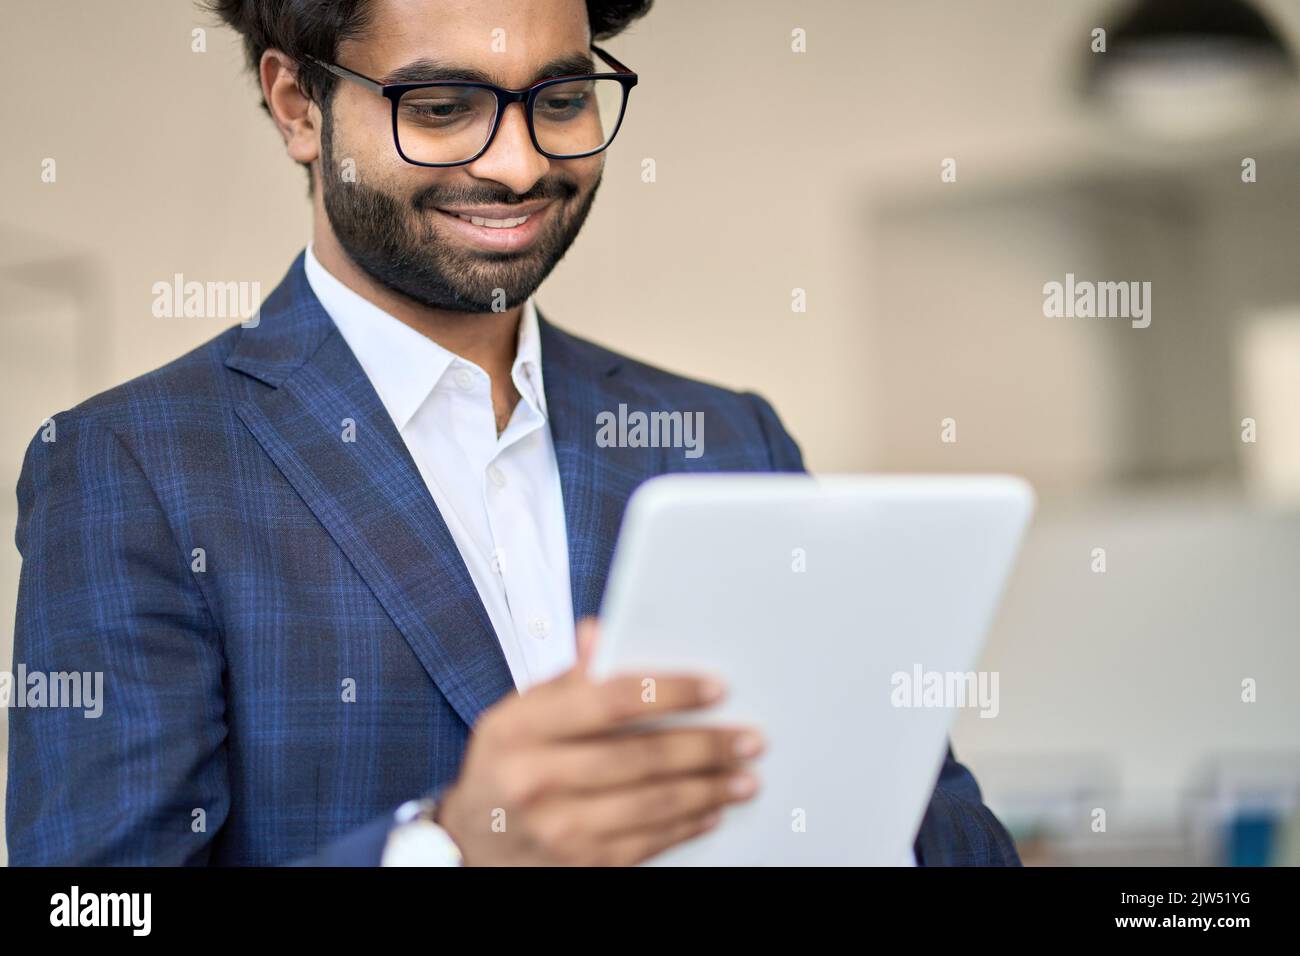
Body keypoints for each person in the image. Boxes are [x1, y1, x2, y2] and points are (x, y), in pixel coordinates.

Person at [7, 0, 1019, 866]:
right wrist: (451, 847)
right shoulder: (133, 465)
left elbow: (944, 833)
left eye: (562, 99)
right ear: (294, 104)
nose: (519, 161)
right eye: (442, 108)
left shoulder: (724, 438)